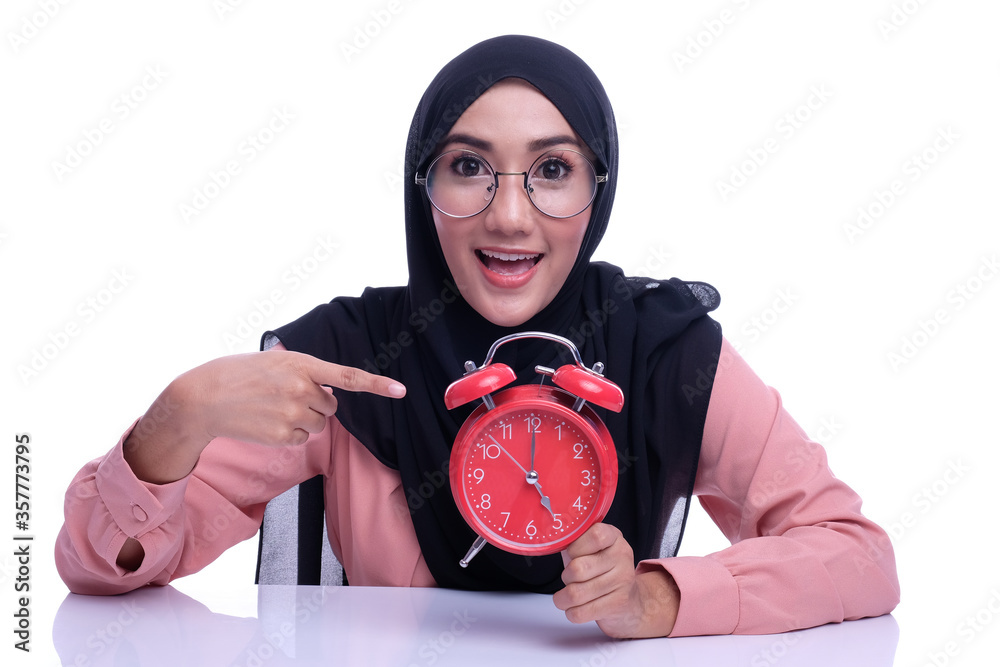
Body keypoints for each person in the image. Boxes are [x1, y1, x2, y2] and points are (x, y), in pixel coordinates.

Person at [56, 35, 899, 638]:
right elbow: (100, 570)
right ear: (423, 184)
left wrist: (660, 597)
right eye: (467, 165)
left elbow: (860, 558)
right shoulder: (352, 361)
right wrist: (174, 421)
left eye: (553, 170)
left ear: (598, 190)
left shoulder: (665, 352)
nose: (508, 213)